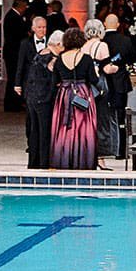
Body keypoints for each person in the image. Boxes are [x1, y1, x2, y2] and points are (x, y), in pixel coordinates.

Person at [50, 27, 99, 169]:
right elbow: (93, 79)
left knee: (64, 128)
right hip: (82, 94)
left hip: (64, 95)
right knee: (84, 128)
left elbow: (55, 82)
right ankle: (83, 161)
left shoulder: (59, 59)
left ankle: (63, 160)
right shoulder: (86, 59)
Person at [21, 31, 61, 165]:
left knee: (34, 131)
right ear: (58, 44)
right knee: (44, 132)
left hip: (32, 97)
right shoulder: (52, 58)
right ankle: (44, 162)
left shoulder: (39, 54)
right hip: (43, 99)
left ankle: (33, 162)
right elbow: (53, 79)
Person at [82, 17, 117, 167]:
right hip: (100, 87)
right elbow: (107, 68)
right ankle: (100, 157)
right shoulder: (102, 46)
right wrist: (117, 67)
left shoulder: (83, 47)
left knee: (87, 121)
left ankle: (87, 154)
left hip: (86, 87)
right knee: (102, 121)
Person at [102, 12, 134, 157]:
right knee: (120, 117)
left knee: (104, 116)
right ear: (118, 25)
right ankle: (121, 150)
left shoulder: (101, 41)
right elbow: (131, 58)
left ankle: (106, 147)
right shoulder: (125, 40)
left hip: (104, 84)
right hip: (120, 82)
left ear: (104, 24)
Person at [2, 0, 30, 112]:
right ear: (21, 6)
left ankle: (14, 102)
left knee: (14, 77)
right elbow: (19, 35)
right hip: (13, 52)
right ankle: (12, 103)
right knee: (14, 77)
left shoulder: (11, 16)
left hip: (11, 52)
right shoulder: (14, 18)